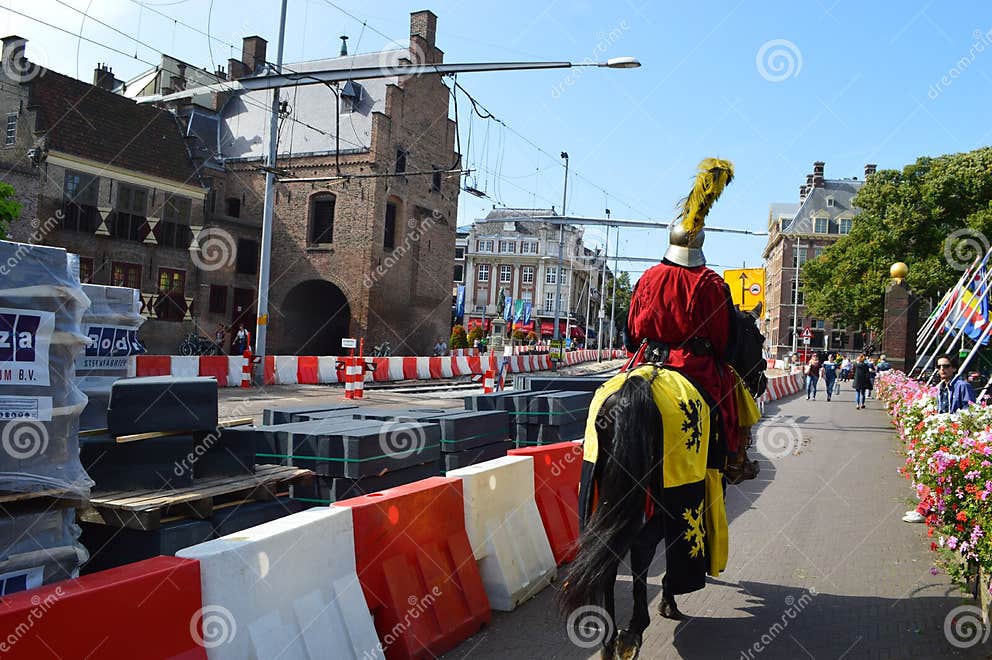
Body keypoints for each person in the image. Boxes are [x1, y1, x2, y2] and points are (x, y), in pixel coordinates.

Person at [624, 158, 756, 480]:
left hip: (644, 359)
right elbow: (725, 344)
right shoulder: (710, 283)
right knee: (730, 400)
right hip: (694, 367)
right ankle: (733, 460)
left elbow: (629, 334)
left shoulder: (647, 277)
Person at [902, 354, 976, 524]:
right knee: (935, 473)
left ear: (954, 368)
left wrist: (955, 426)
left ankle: (923, 510)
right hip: (943, 436)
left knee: (938, 474)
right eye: (939, 366)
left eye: (946, 366)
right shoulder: (941, 387)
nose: (942, 369)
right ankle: (926, 508)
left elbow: (970, 411)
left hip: (957, 438)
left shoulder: (962, 386)